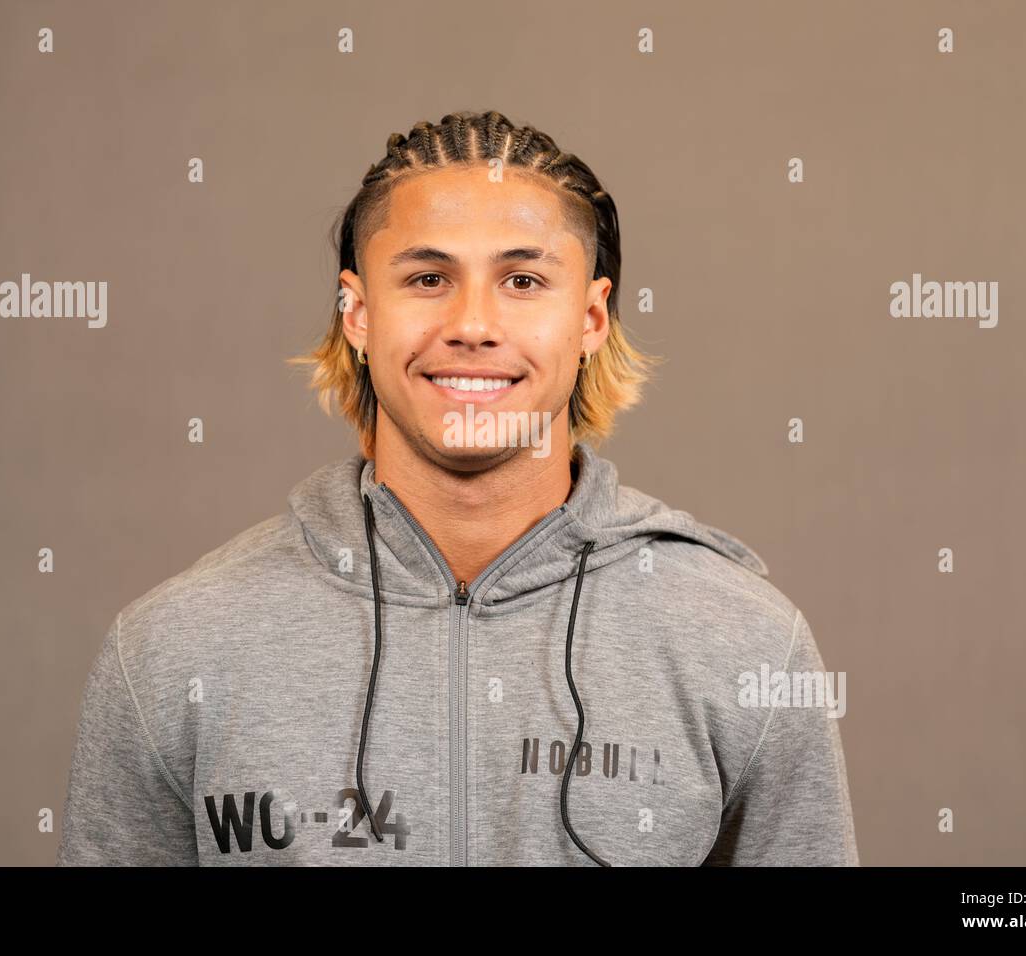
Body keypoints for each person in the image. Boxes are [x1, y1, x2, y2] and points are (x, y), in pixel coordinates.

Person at [57, 109, 859, 866]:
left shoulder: (745, 642)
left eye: (522, 281)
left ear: (591, 319)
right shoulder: (174, 648)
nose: (473, 324)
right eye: (429, 278)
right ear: (358, 314)